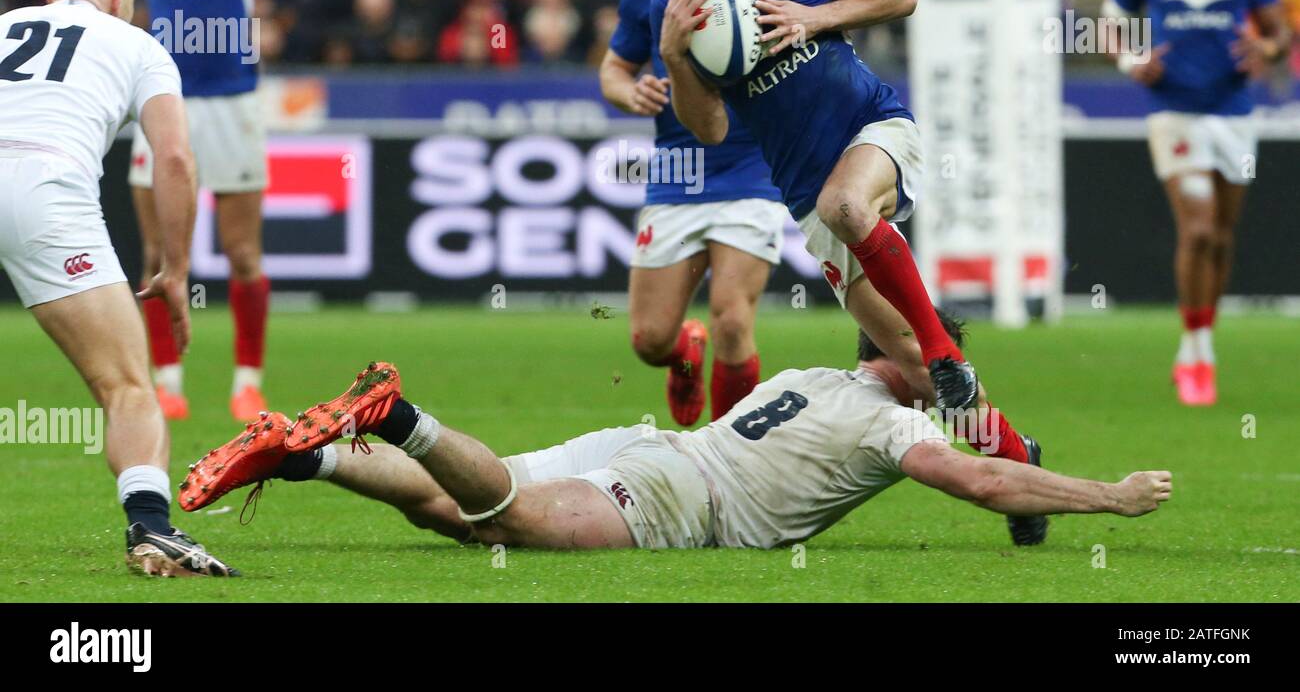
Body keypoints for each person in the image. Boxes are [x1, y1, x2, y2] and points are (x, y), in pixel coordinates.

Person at [636, 0, 1046, 530]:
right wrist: (676, 57)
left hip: (875, 132)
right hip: (806, 198)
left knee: (848, 202)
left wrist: (815, 16)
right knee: (914, 371)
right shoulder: (675, 7)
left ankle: (948, 350)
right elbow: (706, 128)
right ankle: (1016, 460)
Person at [178, 314, 1172, 552]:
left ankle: (308, 448)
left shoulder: (810, 373)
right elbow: (989, 484)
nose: (954, 369)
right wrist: (1108, 496)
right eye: (942, 354)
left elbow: (995, 466)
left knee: (446, 512)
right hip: (672, 496)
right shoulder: (887, 421)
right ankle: (394, 412)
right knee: (499, 519)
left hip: (647, 446)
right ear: (908, 362)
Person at [58, 0, 320, 422]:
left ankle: (246, 383)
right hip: (164, 102)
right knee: (158, 250)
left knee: (242, 254)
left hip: (234, 102)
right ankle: (168, 381)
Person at [0, 0, 236, 576]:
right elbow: (177, 159)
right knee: (127, 385)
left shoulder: (2, 28)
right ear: (122, 2)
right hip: (47, 194)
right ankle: (152, 528)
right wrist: (176, 268)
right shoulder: (140, 46)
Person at [598, 0, 783, 425]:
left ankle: (728, 458)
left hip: (752, 169)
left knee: (733, 317)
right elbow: (613, 69)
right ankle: (684, 352)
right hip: (677, 173)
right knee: (650, 341)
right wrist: (632, 94)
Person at [1103, 0, 1289, 405]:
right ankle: (1196, 350)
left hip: (1233, 111)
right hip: (1173, 111)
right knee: (1200, 229)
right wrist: (1131, 61)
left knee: (1224, 235)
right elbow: (1110, 22)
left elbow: (1279, 33)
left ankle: (1201, 339)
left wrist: (1267, 47)